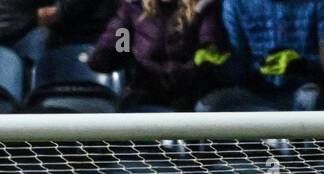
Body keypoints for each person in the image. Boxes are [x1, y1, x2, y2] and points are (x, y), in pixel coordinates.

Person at [87, 0, 230, 110]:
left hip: (191, 97)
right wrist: (120, 44)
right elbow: (108, 55)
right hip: (144, 96)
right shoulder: (133, 9)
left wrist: (185, 71)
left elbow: (211, 50)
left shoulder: (203, 7)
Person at [197, 0, 324, 112]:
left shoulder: (317, 3)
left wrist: (302, 65)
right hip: (256, 92)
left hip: (304, 88)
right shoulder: (235, 3)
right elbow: (239, 57)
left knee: (309, 98)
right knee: (205, 107)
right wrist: (221, 64)